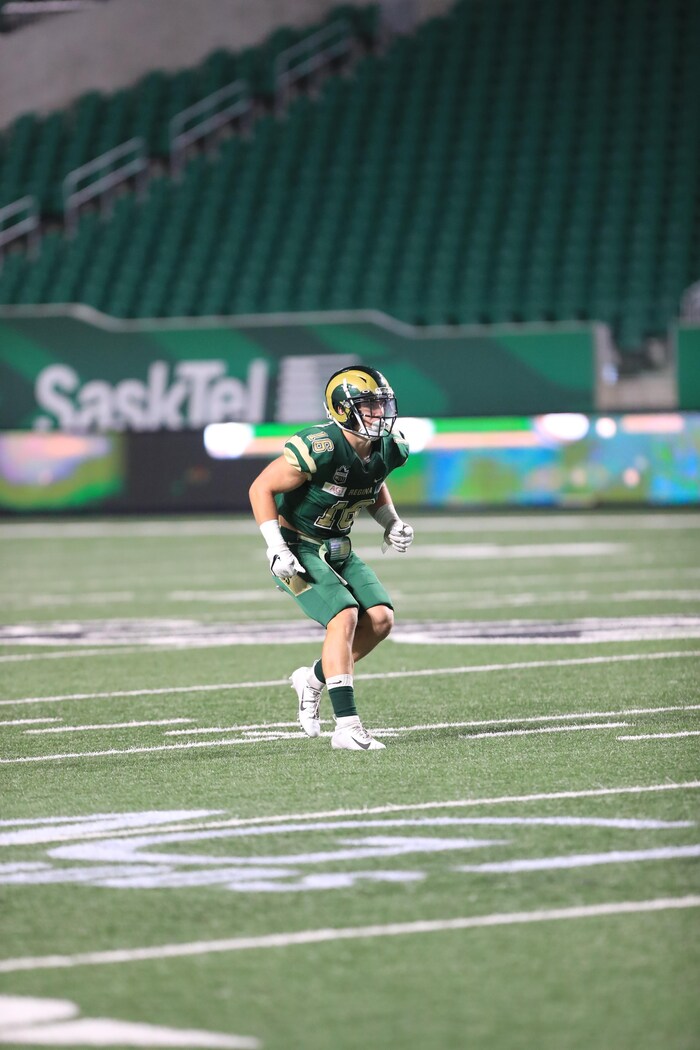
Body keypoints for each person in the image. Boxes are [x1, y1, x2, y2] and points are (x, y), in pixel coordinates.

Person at [248, 365, 413, 750]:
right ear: (342, 409)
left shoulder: (389, 447)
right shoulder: (320, 446)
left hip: (337, 545)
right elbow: (261, 488)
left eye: (381, 403)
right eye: (369, 405)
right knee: (344, 615)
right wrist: (276, 548)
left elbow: (372, 482)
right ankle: (347, 726)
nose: (379, 412)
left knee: (381, 619)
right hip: (296, 548)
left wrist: (391, 521)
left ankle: (313, 679)